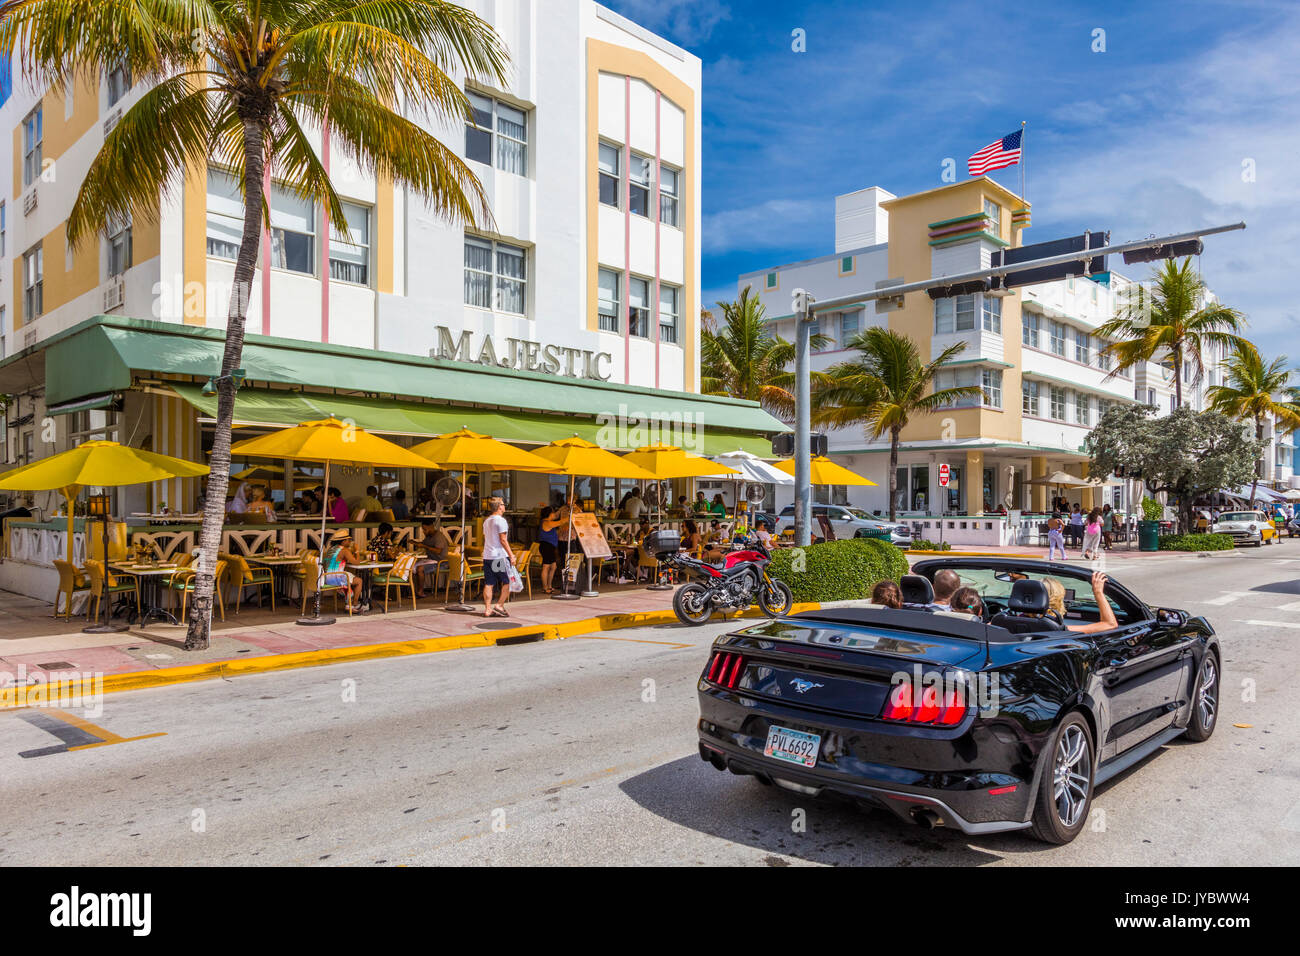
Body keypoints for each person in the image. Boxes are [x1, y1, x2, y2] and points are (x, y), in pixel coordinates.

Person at [1044, 573, 1118, 634]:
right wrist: (1098, 592)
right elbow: (1110, 624)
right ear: (1058, 602)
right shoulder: (1057, 630)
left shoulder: (1033, 624)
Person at [480, 496, 514, 618]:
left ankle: (488, 609)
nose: (505, 506)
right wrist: (511, 555)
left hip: (488, 555)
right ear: (499, 506)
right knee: (507, 581)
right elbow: (503, 540)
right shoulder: (501, 520)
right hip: (499, 556)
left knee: (489, 583)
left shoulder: (487, 521)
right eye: (503, 504)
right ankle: (499, 605)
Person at [322, 530, 365, 611]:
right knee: (359, 581)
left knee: (351, 577)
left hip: (327, 577)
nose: (349, 542)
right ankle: (354, 604)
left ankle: (350, 604)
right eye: (348, 540)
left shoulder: (331, 550)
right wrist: (357, 550)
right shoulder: (344, 551)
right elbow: (356, 562)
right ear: (343, 541)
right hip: (337, 577)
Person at [412, 519, 452, 596]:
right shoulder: (429, 537)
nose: (423, 531)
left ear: (431, 527)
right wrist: (414, 543)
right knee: (412, 566)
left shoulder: (438, 537)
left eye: (425, 529)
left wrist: (424, 546)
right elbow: (423, 544)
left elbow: (438, 551)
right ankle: (415, 590)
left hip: (441, 562)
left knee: (420, 569)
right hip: (431, 561)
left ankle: (420, 592)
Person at [538, 505, 561, 595]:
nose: (554, 514)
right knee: (546, 566)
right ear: (549, 514)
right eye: (552, 512)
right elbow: (561, 522)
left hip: (550, 546)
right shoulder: (546, 522)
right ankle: (545, 587)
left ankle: (549, 585)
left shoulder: (549, 521)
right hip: (546, 546)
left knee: (553, 566)